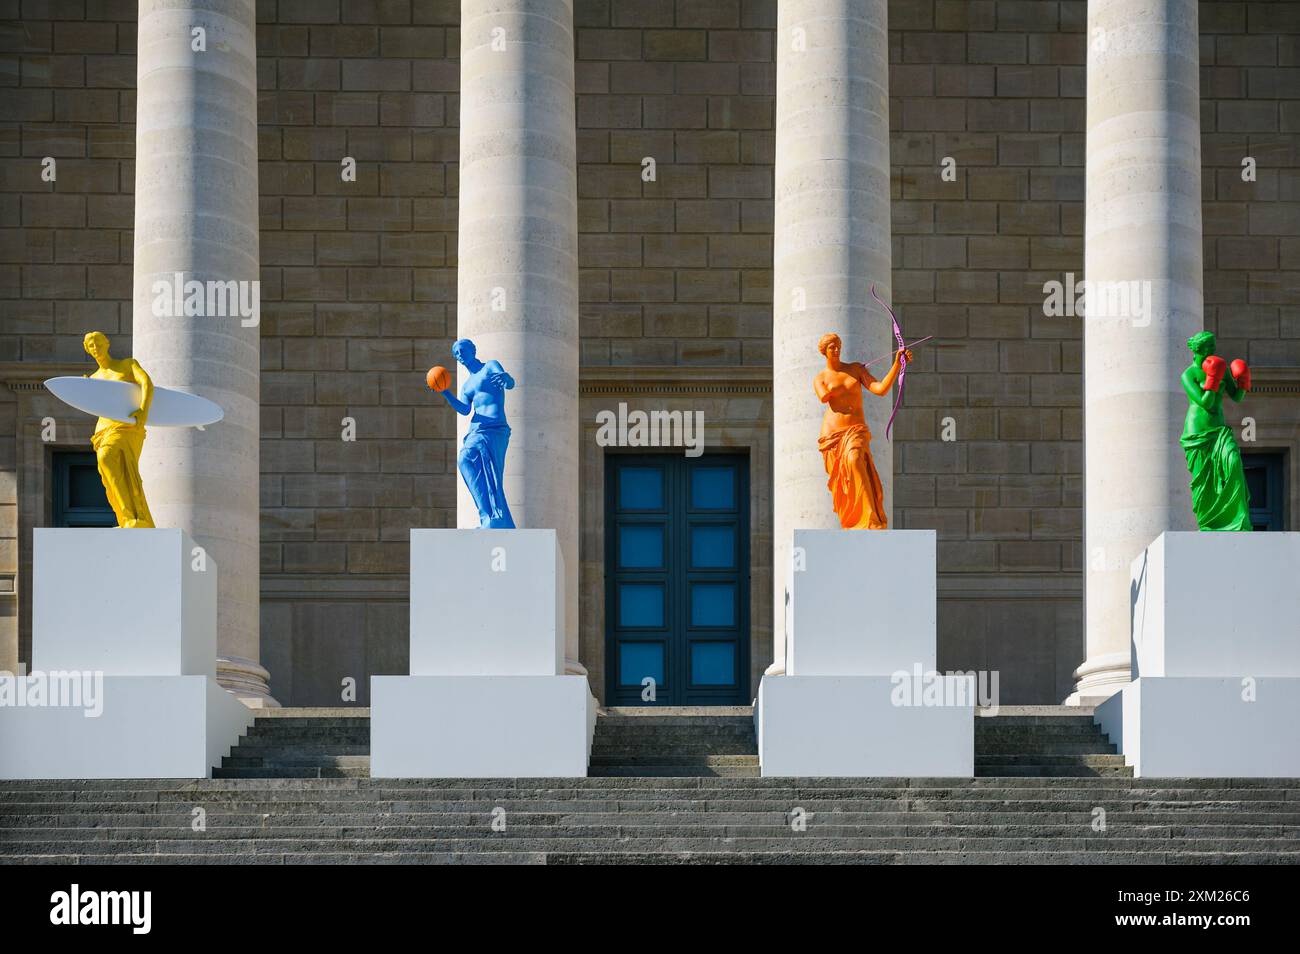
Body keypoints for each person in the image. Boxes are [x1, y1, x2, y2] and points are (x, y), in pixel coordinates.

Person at [813, 332, 910, 530]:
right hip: (832, 434)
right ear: (824, 351)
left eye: (838, 345)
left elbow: (880, 389)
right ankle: (857, 520)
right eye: (832, 346)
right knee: (844, 482)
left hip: (855, 430)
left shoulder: (855, 368)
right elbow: (824, 397)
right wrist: (846, 382)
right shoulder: (820, 378)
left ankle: (871, 518)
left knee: (855, 460)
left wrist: (897, 364)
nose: (837, 349)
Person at [436, 338, 516, 528]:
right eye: (456, 354)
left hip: (495, 428)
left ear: (473, 350)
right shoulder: (467, 386)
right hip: (476, 430)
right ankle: (486, 515)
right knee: (465, 460)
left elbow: (509, 382)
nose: (460, 355)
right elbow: (464, 409)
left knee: (493, 474)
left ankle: (496, 518)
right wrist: (445, 392)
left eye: (462, 350)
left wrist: (507, 379)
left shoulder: (490, 366)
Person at [1180, 331, 1251, 531]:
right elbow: (1206, 403)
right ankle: (1211, 523)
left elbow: (1236, 397)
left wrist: (1243, 381)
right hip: (1198, 433)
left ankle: (1237, 520)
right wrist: (1213, 377)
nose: (1213, 350)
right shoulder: (1189, 375)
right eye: (1209, 347)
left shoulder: (1221, 367)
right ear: (1199, 350)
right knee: (1204, 485)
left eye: (1214, 346)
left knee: (1234, 462)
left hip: (1219, 429)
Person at [83, 331, 155, 528]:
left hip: (128, 426)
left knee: (112, 459)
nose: (95, 347)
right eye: (91, 345)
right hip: (103, 429)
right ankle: (127, 519)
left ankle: (134, 516)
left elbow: (146, 383)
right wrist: (83, 389)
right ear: (87, 350)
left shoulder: (127, 365)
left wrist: (143, 410)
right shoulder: (93, 378)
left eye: (98, 342)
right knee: (109, 473)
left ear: (107, 343)